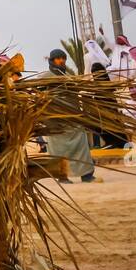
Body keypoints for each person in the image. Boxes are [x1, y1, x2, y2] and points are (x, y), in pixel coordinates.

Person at [42, 49, 97, 183]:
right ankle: (62, 176)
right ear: (52, 60)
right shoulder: (45, 77)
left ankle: (87, 174)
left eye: (63, 58)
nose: (62, 60)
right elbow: (41, 99)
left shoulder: (68, 76)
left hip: (72, 119)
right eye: (59, 58)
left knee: (82, 143)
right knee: (58, 150)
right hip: (56, 122)